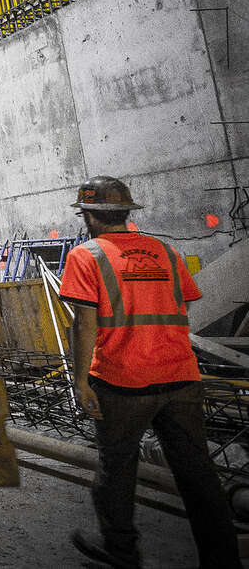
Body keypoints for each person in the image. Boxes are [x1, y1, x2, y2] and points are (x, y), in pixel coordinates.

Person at [57, 175, 240, 569]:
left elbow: (83, 324)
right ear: (126, 211)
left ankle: (121, 553)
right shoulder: (166, 252)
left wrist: (80, 379)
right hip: (181, 378)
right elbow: (182, 306)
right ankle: (223, 559)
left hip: (123, 382)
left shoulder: (86, 256)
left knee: (118, 467)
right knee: (198, 474)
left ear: (88, 214)